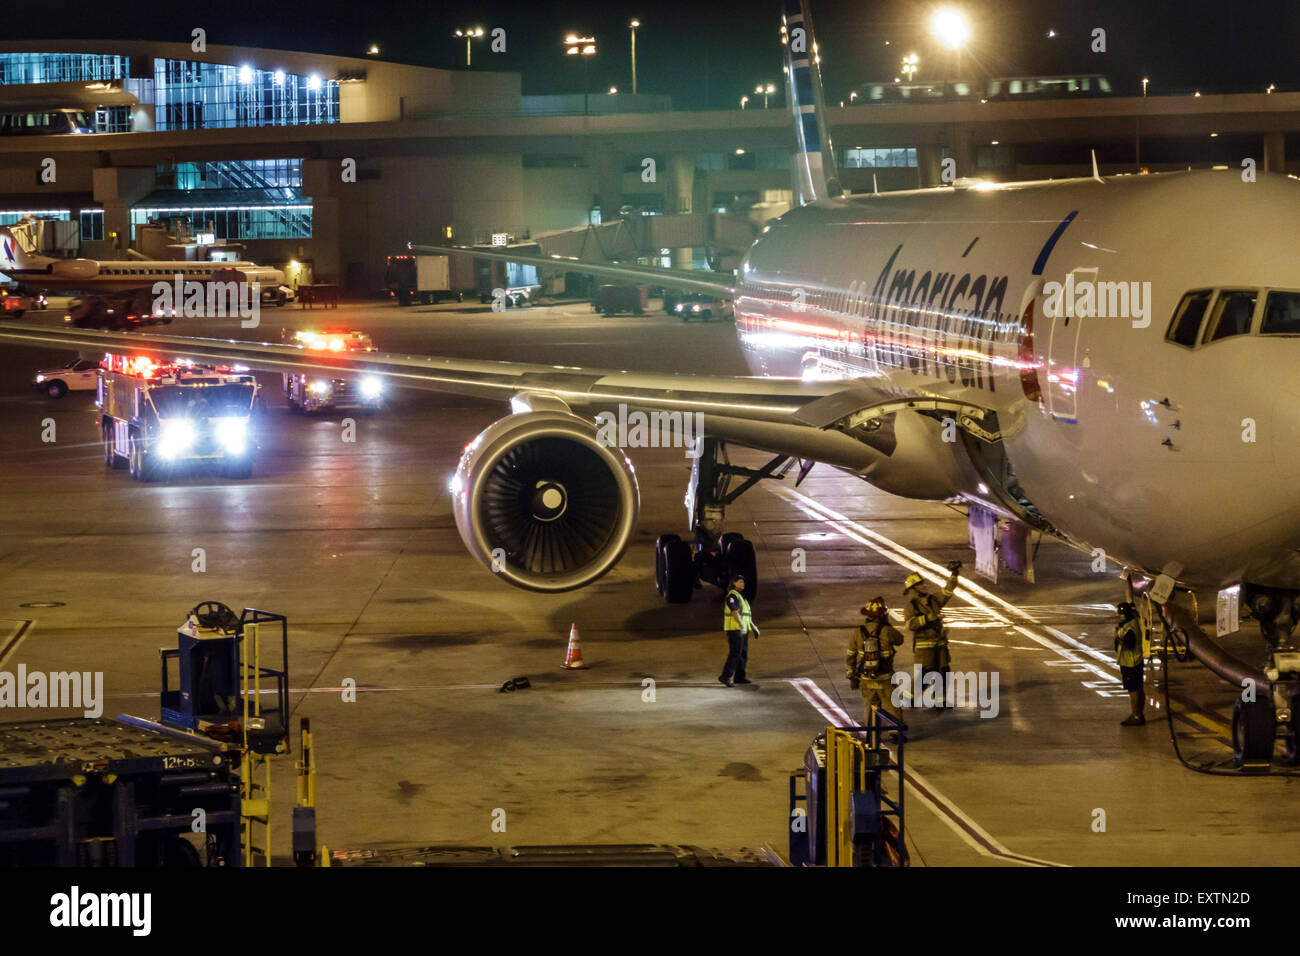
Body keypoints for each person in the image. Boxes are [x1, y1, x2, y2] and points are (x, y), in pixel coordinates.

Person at [847, 596, 906, 740]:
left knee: (871, 705)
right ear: (882, 615)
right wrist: (889, 626)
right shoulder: (886, 630)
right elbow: (900, 640)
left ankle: (872, 734)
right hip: (884, 677)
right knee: (891, 704)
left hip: (865, 678)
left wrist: (851, 674)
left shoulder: (858, 632)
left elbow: (851, 655)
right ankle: (896, 734)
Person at [903, 562, 960, 704]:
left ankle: (941, 700)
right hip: (925, 646)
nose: (924, 586)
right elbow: (910, 624)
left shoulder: (933, 600)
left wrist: (954, 575)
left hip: (940, 644)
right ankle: (908, 698)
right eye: (920, 584)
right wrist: (928, 618)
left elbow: (947, 591)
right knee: (925, 674)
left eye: (923, 583)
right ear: (914, 589)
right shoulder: (911, 606)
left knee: (944, 671)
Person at [720, 574, 758, 686]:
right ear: (734, 583)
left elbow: (746, 615)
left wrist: (753, 626)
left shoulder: (742, 597)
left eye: (743, 582)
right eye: (740, 582)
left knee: (743, 653)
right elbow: (734, 611)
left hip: (743, 629)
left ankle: (739, 677)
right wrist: (741, 625)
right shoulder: (732, 596)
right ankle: (725, 676)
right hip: (734, 629)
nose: (743, 584)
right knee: (735, 653)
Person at [1115, 601, 1146, 726]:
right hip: (1136, 660)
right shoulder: (1134, 622)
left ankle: (1136, 715)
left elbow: (1129, 644)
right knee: (1138, 688)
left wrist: (1117, 637)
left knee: (1133, 689)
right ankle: (1139, 713)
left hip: (1130, 662)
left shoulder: (1129, 628)